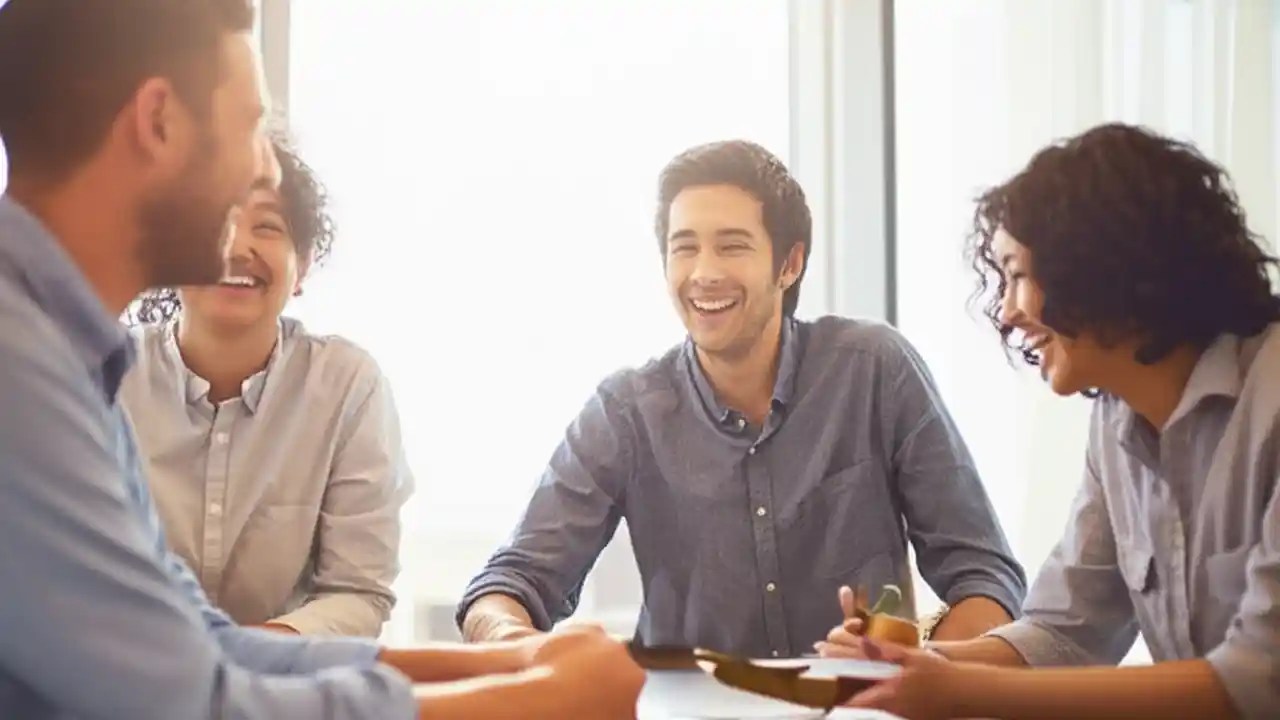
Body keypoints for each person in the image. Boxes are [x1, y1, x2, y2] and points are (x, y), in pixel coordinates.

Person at [0, 1, 643, 718]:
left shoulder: (65, 355)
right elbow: (194, 706)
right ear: (159, 123)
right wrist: (535, 702)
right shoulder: (19, 370)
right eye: (251, 128)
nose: (264, 166)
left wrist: (509, 661)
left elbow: (200, 642)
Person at [459, 139, 1026, 657]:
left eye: (732, 247)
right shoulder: (626, 411)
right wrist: (521, 645)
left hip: (859, 713)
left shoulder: (875, 370)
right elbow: (508, 585)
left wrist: (917, 669)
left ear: (790, 263)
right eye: (685, 248)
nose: (704, 273)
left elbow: (986, 579)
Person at [825, 123, 1280, 720]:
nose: (1008, 313)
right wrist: (907, 664)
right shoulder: (1116, 423)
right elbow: (1065, 634)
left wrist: (957, 690)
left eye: (1018, 275)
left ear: (1104, 264)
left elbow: (1258, 679)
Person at [123, 134, 410, 638]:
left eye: (267, 226)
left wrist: (245, 655)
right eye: (213, 222)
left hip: (281, 692)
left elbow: (357, 592)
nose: (236, 247)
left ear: (302, 264)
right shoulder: (103, 374)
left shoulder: (347, 388)